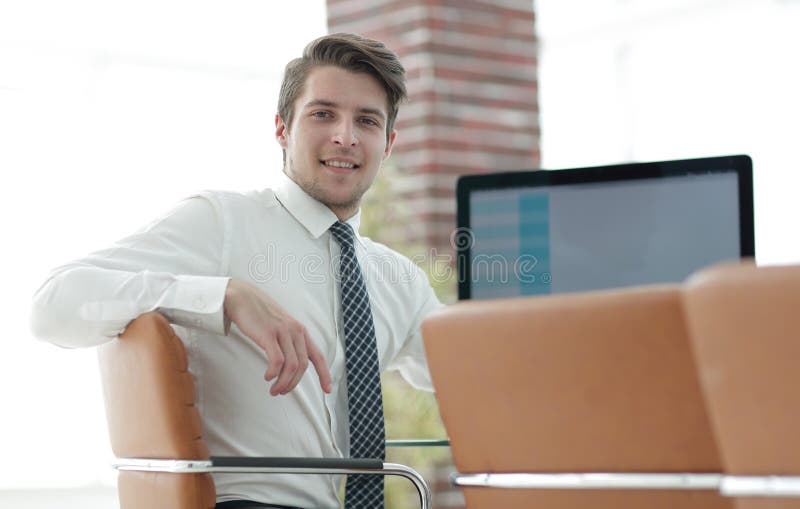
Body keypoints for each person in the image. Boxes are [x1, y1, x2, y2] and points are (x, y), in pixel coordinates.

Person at [29, 33, 443, 509]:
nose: (345, 136)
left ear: (387, 144)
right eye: (323, 113)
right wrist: (221, 296)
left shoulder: (399, 279)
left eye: (366, 121)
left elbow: (471, 371)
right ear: (282, 129)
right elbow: (52, 305)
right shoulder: (221, 223)